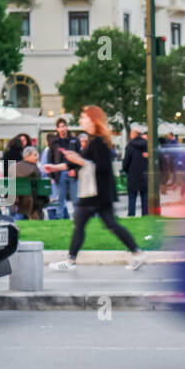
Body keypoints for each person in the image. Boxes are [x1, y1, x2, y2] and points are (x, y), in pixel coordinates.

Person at [49, 105, 146, 272]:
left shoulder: (98, 142)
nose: (80, 120)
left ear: (93, 120)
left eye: (83, 117)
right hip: (99, 193)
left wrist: (80, 161)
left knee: (81, 224)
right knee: (110, 224)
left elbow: (102, 166)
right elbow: (80, 161)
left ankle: (70, 261)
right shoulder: (94, 140)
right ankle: (137, 252)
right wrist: (57, 167)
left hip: (95, 193)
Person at [46, 118, 80, 219]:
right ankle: (60, 217)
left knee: (75, 198)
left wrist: (76, 171)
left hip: (72, 172)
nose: (62, 129)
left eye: (64, 126)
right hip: (59, 174)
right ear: (57, 129)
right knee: (60, 198)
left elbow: (80, 158)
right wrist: (51, 176)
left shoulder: (74, 140)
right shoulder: (54, 142)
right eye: (60, 127)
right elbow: (50, 159)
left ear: (67, 127)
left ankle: (77, 219)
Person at [8, 146, 48, 219]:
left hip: (15, 202)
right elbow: (39, 189)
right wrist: (47, 199)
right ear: (27, 156)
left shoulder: (13, 166)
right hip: (31, 203)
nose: (38, 157)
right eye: (35, 155)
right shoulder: (34, 169)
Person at [122, 126, 149, 217]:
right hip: (145, 174)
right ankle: (145, 214)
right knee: (145, 196)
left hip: (133, 174)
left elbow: (126, 161)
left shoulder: (130, 145)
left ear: (134, 134)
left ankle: (131, 215)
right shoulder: (147, 145)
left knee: (132, 197)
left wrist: (126, 170)